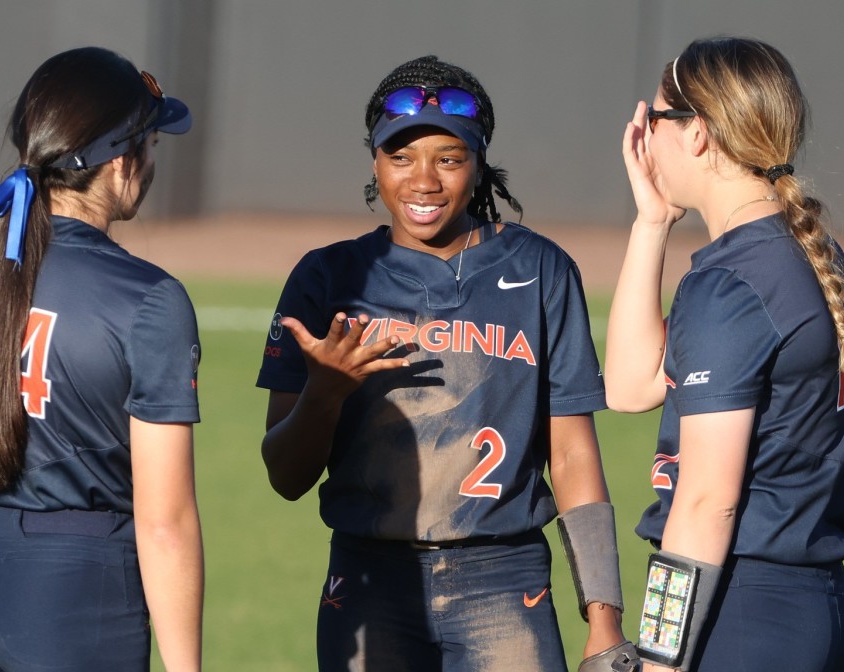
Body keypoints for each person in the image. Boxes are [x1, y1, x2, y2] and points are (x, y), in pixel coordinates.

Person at [256, 55, 638, 672]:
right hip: (370, 576)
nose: (424, 181)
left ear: (479, 161)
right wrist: (323, 395)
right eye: (401, 157)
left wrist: (605, 618)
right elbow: (285, 477)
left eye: (449, 158)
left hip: (505, 574)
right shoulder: (327, 277)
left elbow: (570, 453)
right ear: (374, 162)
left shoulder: (540, 269)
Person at [0, 47, 204, 672]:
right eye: (150, 144)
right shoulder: (149, 300)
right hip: (75, 593)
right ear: (120, 163)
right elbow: (165, 521)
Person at [604, 38, 844, 671]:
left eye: (658, 119)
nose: (644, 139)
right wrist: (651, 223)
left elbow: (705, 502)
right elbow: (630, 385)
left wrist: (659, 655)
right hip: (808, 603)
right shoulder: (805, 249)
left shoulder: (731, 282)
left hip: (743, 610)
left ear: (696, 133)